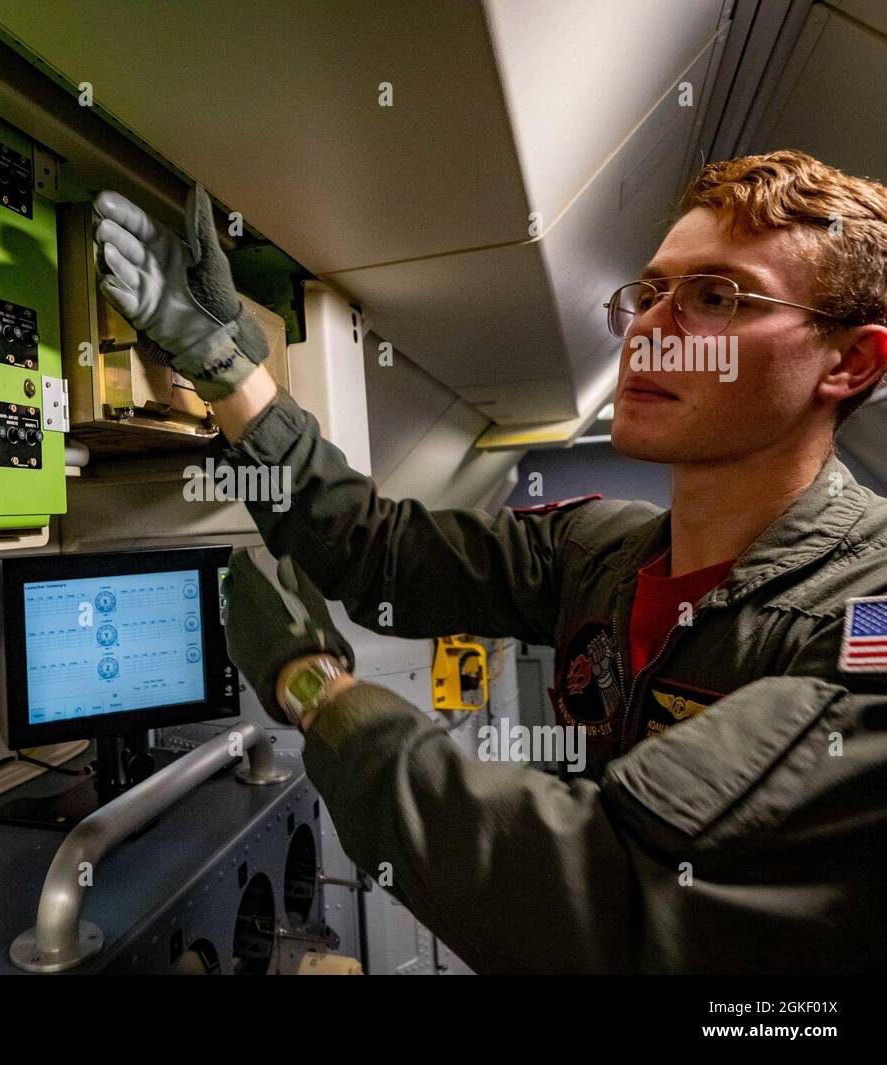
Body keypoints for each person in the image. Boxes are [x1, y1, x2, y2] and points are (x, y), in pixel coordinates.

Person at [91, 149, 887, 973]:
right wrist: (226, 365)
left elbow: (598, 888)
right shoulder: (598, 550)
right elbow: (377, 549)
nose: (651, 329)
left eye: (715, 297)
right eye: (649, 294)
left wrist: (317, 692)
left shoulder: (864, 609)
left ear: (849, 360)